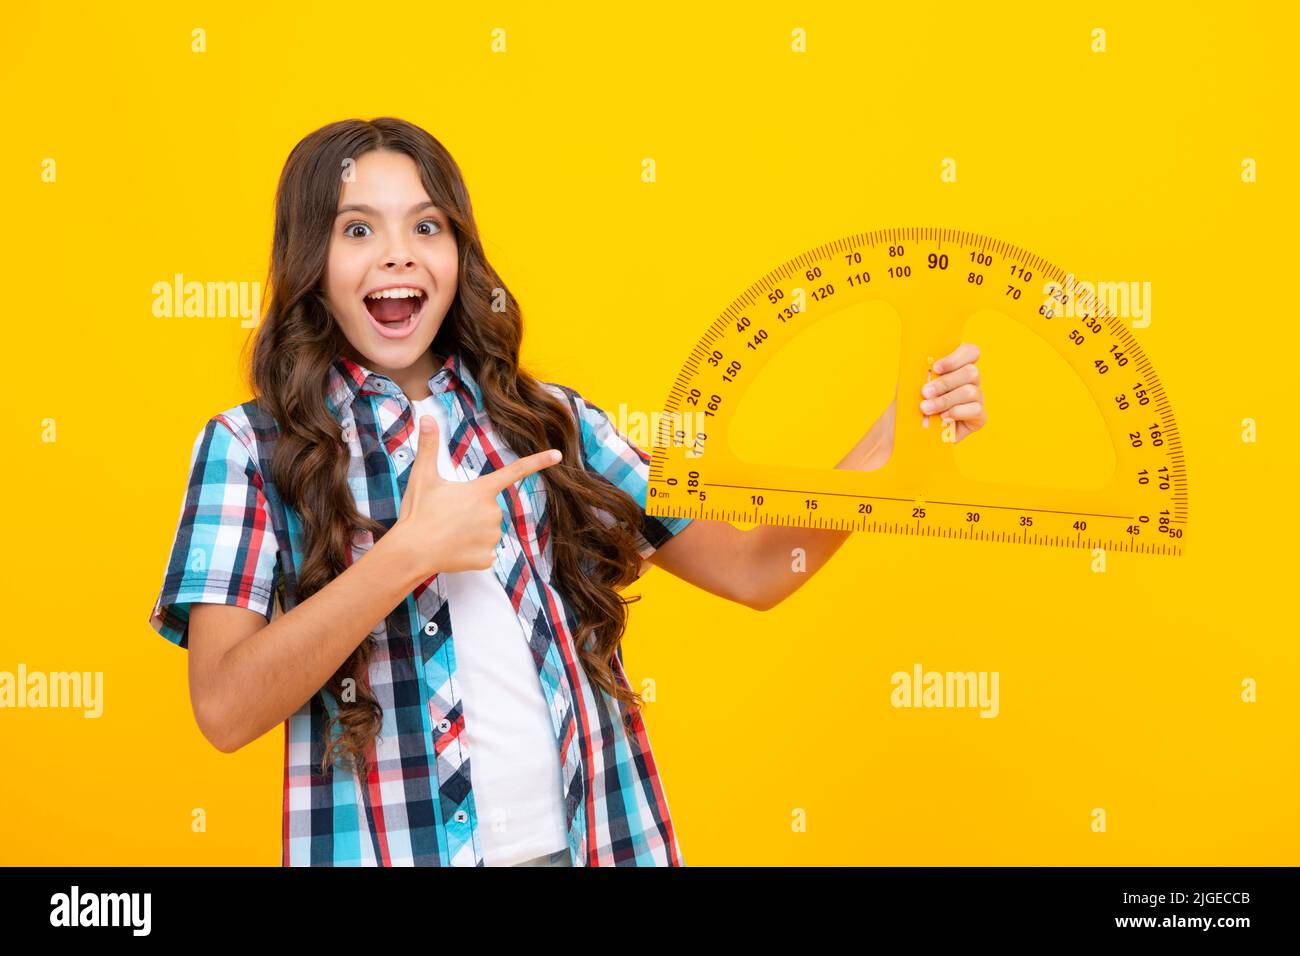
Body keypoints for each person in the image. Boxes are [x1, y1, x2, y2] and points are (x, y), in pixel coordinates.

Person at [147, 117, 988, 867]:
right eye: (358, 228)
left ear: (459, 253)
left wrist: (889, 452)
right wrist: (403, 558)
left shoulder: (547, 425)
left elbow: (757, 569)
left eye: (427, 226)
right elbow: (224, 708)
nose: (398, 253)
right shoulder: (251, 449)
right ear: (310, 262)